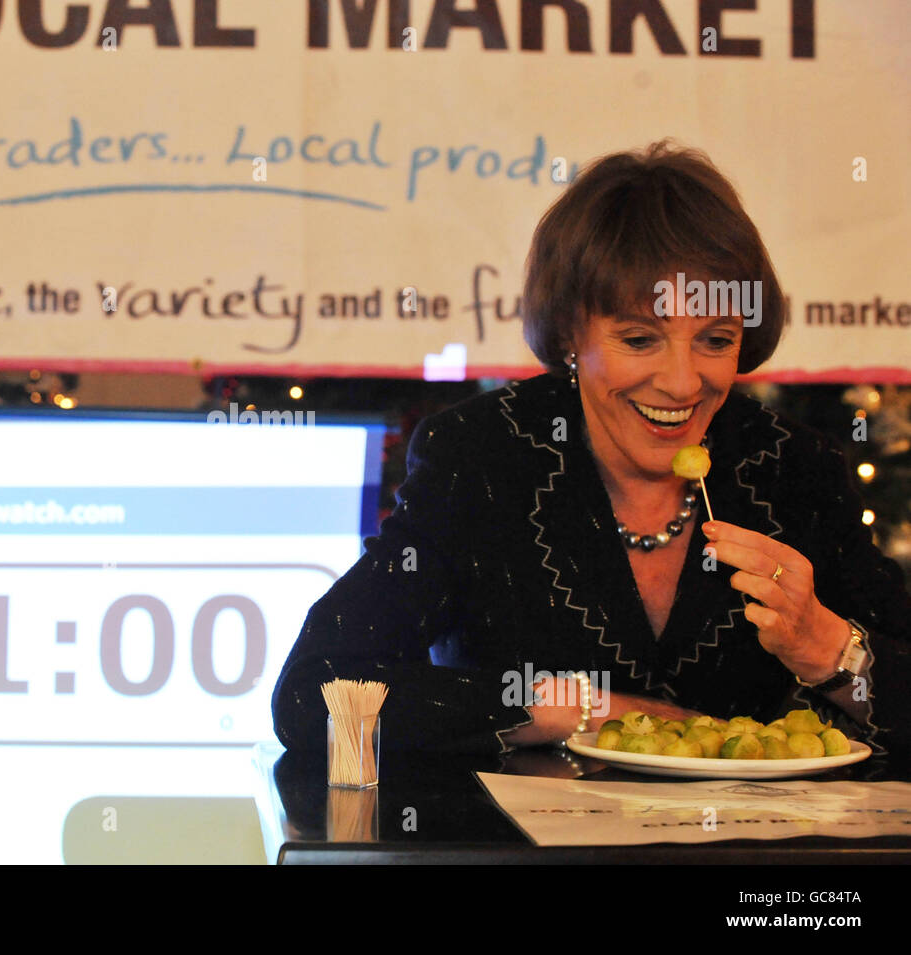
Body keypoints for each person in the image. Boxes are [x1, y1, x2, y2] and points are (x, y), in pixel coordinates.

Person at [271, 140, 911, 756]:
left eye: (715, 341)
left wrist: (831, 649)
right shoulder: (483, 457)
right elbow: (317, 694)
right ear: (573, 331)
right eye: (640, 339)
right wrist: (587, 708)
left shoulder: (794, 468)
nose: (684, 383)